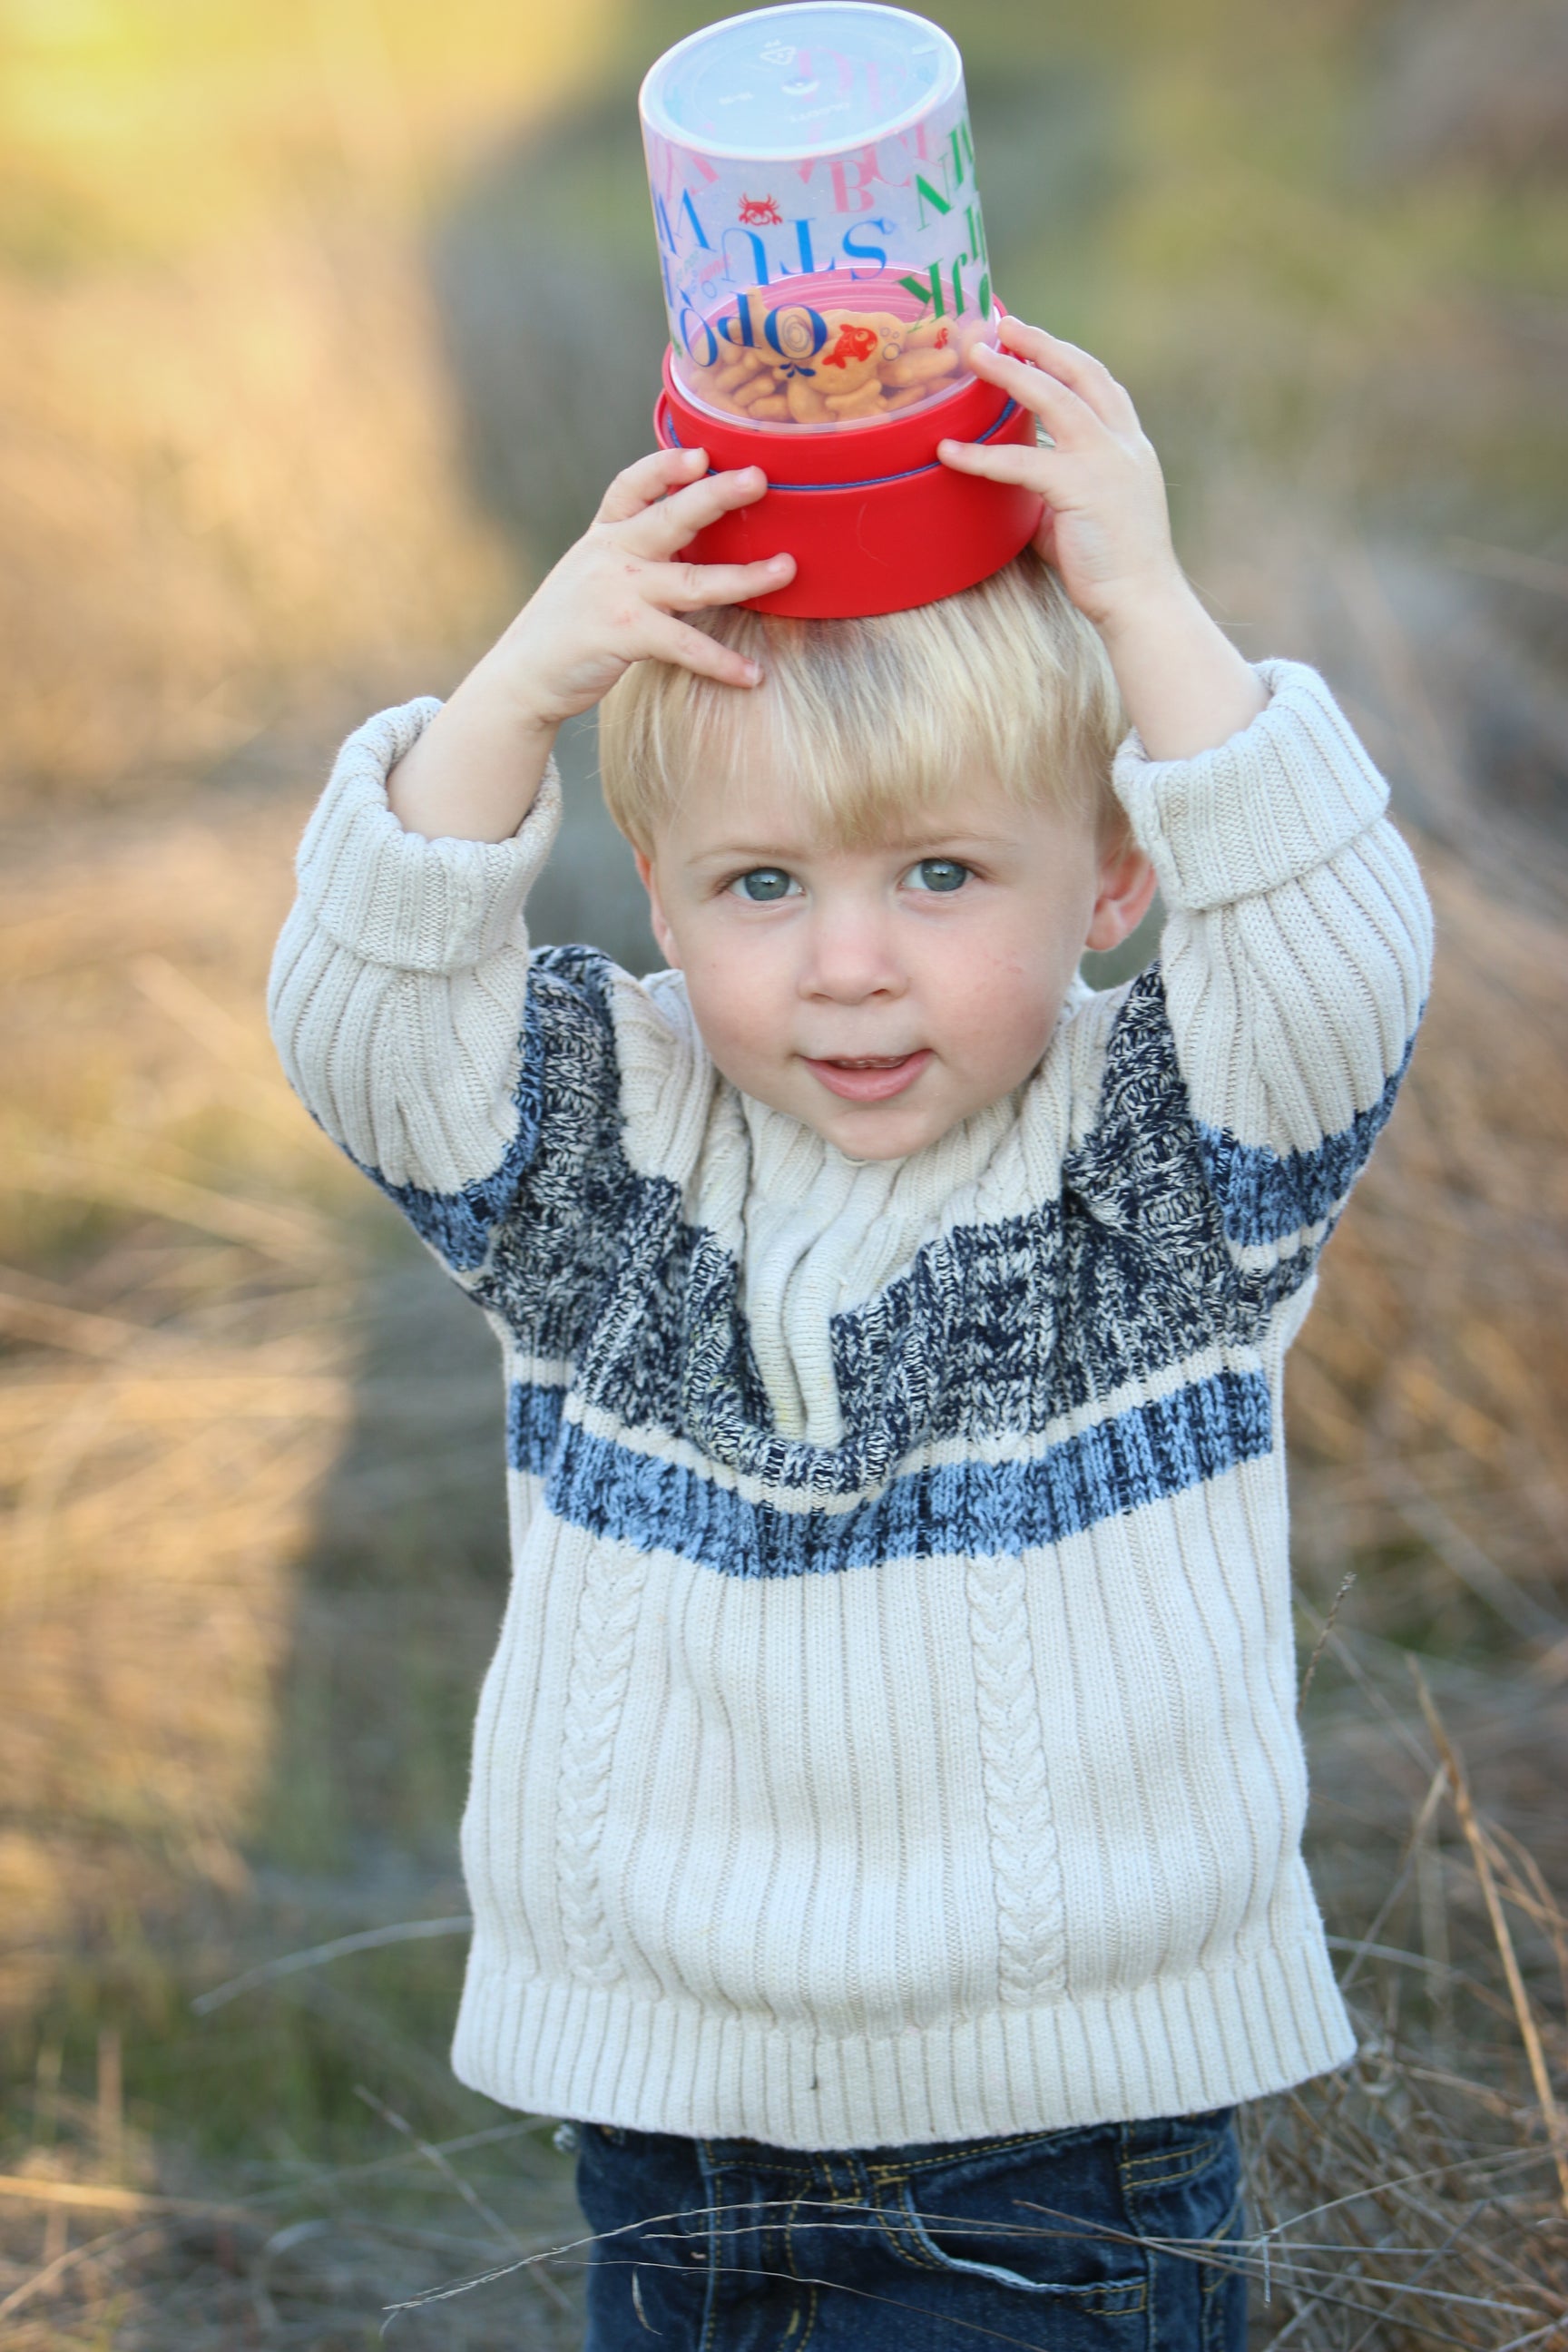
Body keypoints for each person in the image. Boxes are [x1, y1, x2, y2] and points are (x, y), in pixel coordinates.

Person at [269, 315, 1431, 2350]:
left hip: (1060, 2155)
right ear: (651, 887)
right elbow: (373, 1042)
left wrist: (1145, 604)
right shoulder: (612, 1167)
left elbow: (1336, 977)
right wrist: (522, 681)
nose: (852, 966)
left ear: (1119, 872)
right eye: (761, 884)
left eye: (945, 872)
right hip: (668, 2129)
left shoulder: (1157, 1171)